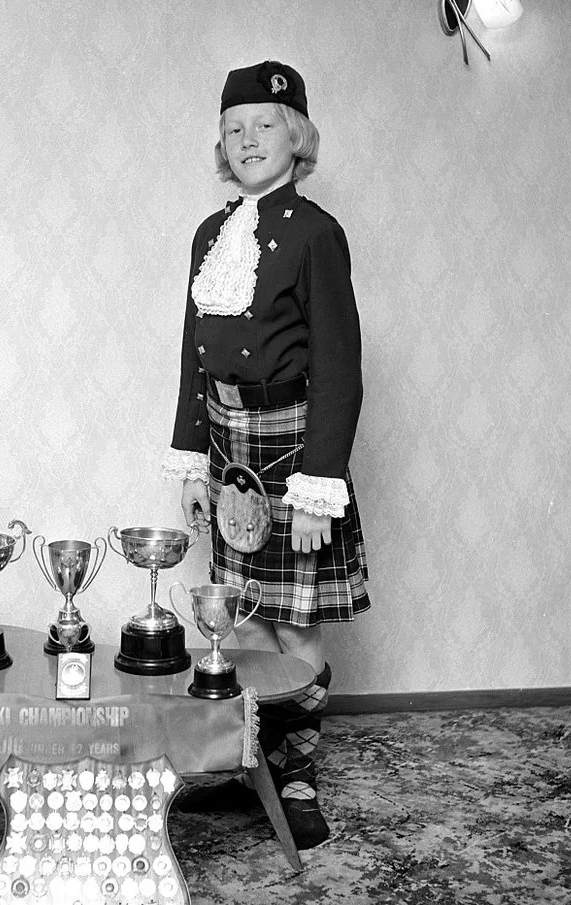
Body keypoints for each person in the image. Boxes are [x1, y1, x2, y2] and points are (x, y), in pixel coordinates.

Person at [162, 60, 370, 849]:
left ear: (298, 136)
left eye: (265, 125)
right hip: (229, 450)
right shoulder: (209, 235)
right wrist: (190, 461)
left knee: (296, 628)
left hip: (294, 452)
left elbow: (342, 368)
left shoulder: (318, 233)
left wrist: (319, 488)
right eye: (234, 128)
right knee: (245, 624)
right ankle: (253, 766)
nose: (249, 139)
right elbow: (194, 356)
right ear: (221, 142)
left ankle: (299, 776)